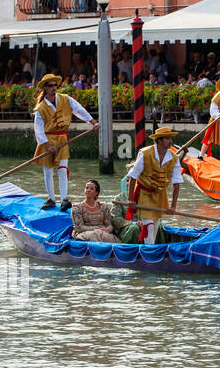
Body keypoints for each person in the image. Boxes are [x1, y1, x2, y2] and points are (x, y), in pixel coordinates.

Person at [32, 74, 98, 211]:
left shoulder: (65, 99)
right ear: (45, 88)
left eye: (55, 85)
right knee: (48, 171)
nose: (54, 88)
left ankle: (64, 199)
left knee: (63, 170)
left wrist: (92, 121)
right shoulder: (40, 108)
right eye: (50, 85)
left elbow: (79, 110)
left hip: (62, 138)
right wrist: (48, 145)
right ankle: (51, 199)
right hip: (47, 140)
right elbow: (38, 130)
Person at [124, 126, 182, 244]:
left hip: (161, 194)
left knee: (155, 224)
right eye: (166, 138)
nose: (170, 141)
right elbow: (133, 176)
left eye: (170, 138)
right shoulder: (145, 153)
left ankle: (150, 249)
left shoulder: (174, 157)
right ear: (158, 140)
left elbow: (176, 183)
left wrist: (173, 206)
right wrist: (130, 199)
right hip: (145, 193)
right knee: (149, 225)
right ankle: (150, 252)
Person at [70, 179, 140, 244]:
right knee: (95, 235)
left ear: (96, 193)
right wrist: (97, 229)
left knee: (112, 239)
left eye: (91, 189)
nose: (88, 190)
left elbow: (110, 225)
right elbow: (79, 228)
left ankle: (120, 250)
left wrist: (107, 229)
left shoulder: (103, 207)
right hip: (84, 233)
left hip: (103, 232)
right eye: (86, 188)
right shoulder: (77, 208)